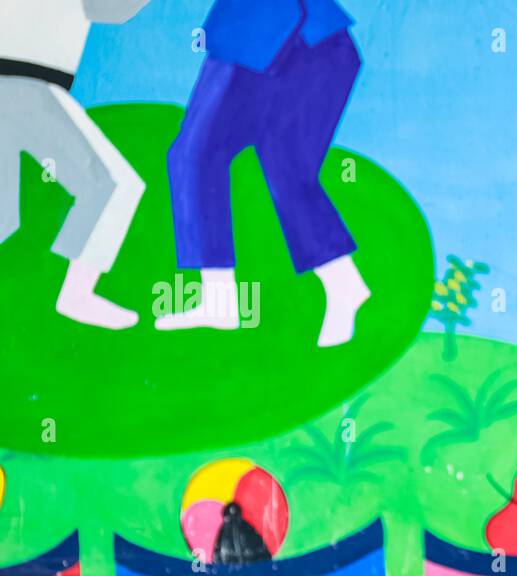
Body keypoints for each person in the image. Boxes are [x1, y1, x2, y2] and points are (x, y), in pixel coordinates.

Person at [159, 0, 369, 347]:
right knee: (228, 157)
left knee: (209, 155)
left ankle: (338, 284)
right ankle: (339, 283)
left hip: (285, 40)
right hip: (294, 43)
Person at [0, 0, 151, 330]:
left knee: (4, 214)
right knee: (112, 185)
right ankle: (77, 294)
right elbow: (113, 10)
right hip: (31, 84)